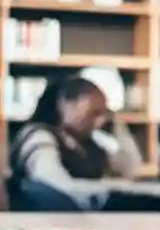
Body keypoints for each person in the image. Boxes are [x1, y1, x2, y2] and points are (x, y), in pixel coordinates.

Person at [6, 75, 142, 211]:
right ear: (65, 104)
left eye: (104, 114)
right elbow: (54, 182)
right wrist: (107, 187)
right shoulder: (39, 137)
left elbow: (131, 169)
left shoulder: (88, 145)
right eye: (93, 113)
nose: (100, 122)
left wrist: (117, 125)